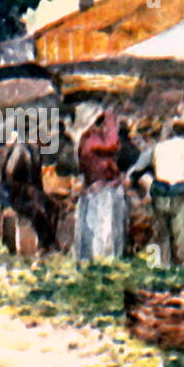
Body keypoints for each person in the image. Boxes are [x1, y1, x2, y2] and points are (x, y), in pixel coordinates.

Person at [146, 113, 184, 267]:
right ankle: (180, 266)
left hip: (159, 190)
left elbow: (152, 166)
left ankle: (155, 266)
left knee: (160, 233)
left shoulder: (160, 146)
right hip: (177, 193)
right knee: (180, 234)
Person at [73, 106, 127, 261]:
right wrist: (111, 120)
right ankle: (102, 259)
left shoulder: (88, 138)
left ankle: (97, 258)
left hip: (99, 186)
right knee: (103, 228)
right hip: (101, 188)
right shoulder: (90, 139)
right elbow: (113, 144)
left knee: (100, 226)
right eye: (98, 121)